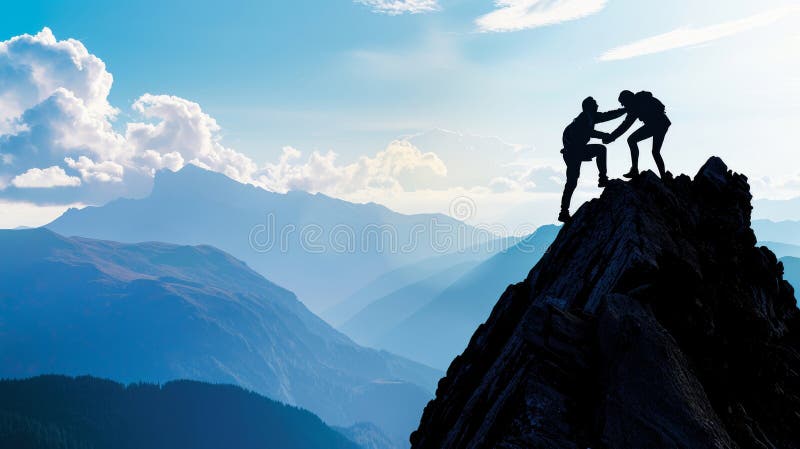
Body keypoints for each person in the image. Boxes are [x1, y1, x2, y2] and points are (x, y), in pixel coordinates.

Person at [558, 97, 625, 223]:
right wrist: (605, 135)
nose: (598, 106)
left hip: (575, 151)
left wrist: (624, 110)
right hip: (572, 153)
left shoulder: (591, 117)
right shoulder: (584, 118)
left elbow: (608, 115)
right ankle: (564, 211)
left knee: (572, 181)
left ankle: (564, 211)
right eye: (595, 104)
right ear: (589, 107)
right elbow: (589, 132)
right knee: (572, 181)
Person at [604, 90, 671, 179]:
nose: (623, 106)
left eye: (623, 103)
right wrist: (612, 137)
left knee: (632, 140)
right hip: (662, 123)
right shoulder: (639, 102)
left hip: (657, 124)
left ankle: (635, 170)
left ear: (627, 99)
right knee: (655, 151)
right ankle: (663, 176)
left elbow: (625, 126)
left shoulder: (635, 106)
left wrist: (612, 137)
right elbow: (625, 125)